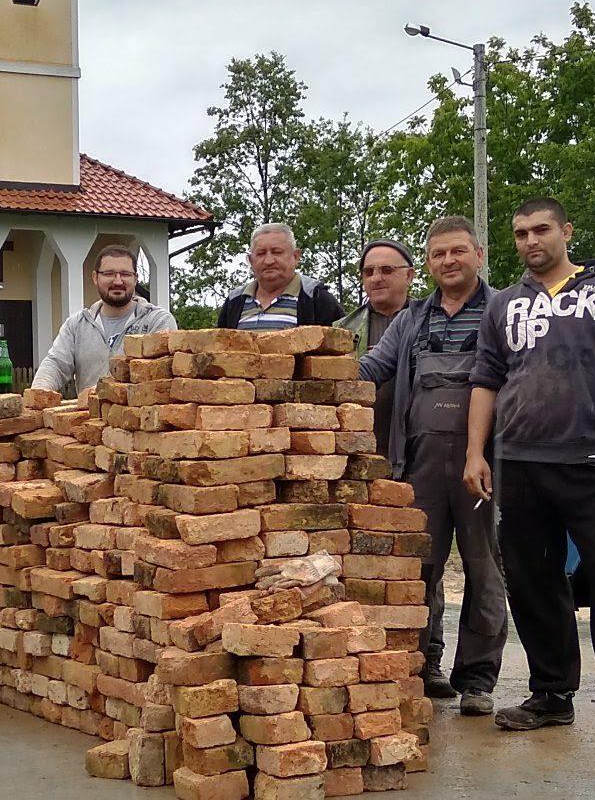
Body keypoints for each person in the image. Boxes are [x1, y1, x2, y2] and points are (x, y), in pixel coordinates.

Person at [463, 197, 595, 751]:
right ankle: (552, 695)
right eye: (520, 233)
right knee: (533, 585)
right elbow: (485, 378)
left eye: (541, 230)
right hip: (521, 464)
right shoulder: (503, 304)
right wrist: (475, 452)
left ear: (566, 231)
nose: (531, 241)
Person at [359, 217, 507, 713]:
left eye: (458, 252)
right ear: (428, 262)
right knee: (419, 568)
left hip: (483, 463)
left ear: (478, 255)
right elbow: (373, 368)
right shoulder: (411, 320)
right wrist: (309, 364)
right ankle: (417, 666)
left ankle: (479, 681)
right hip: (419, 461)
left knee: (484, 568)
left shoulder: (503, 312)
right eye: (439, 254)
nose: (449, 261)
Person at [32, 244, 178, 394]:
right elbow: (55, 364)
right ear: (95, 278)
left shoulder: (158, 321)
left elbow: (159, 377)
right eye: (109, 274)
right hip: (90, 417)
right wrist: (38, 393)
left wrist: (102, 393)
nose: (118, 281)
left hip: (142, 417)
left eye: (125, 274)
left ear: (135, 279)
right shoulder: (77, 325)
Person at [338, 238, 417, 455]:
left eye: (386, 270)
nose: (376, 278)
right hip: (360, 451)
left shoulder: (430, 322)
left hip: (417, 451)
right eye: (368, 272)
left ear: (409, 275)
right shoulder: (340, 331)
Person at [217, 223, 345, 329]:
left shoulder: (317, 300)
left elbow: (344, 350)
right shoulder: (234, 302)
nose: (269, 261)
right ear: (250, 260)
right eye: (261, 253)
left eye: (277, 252)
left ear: (295, 257)